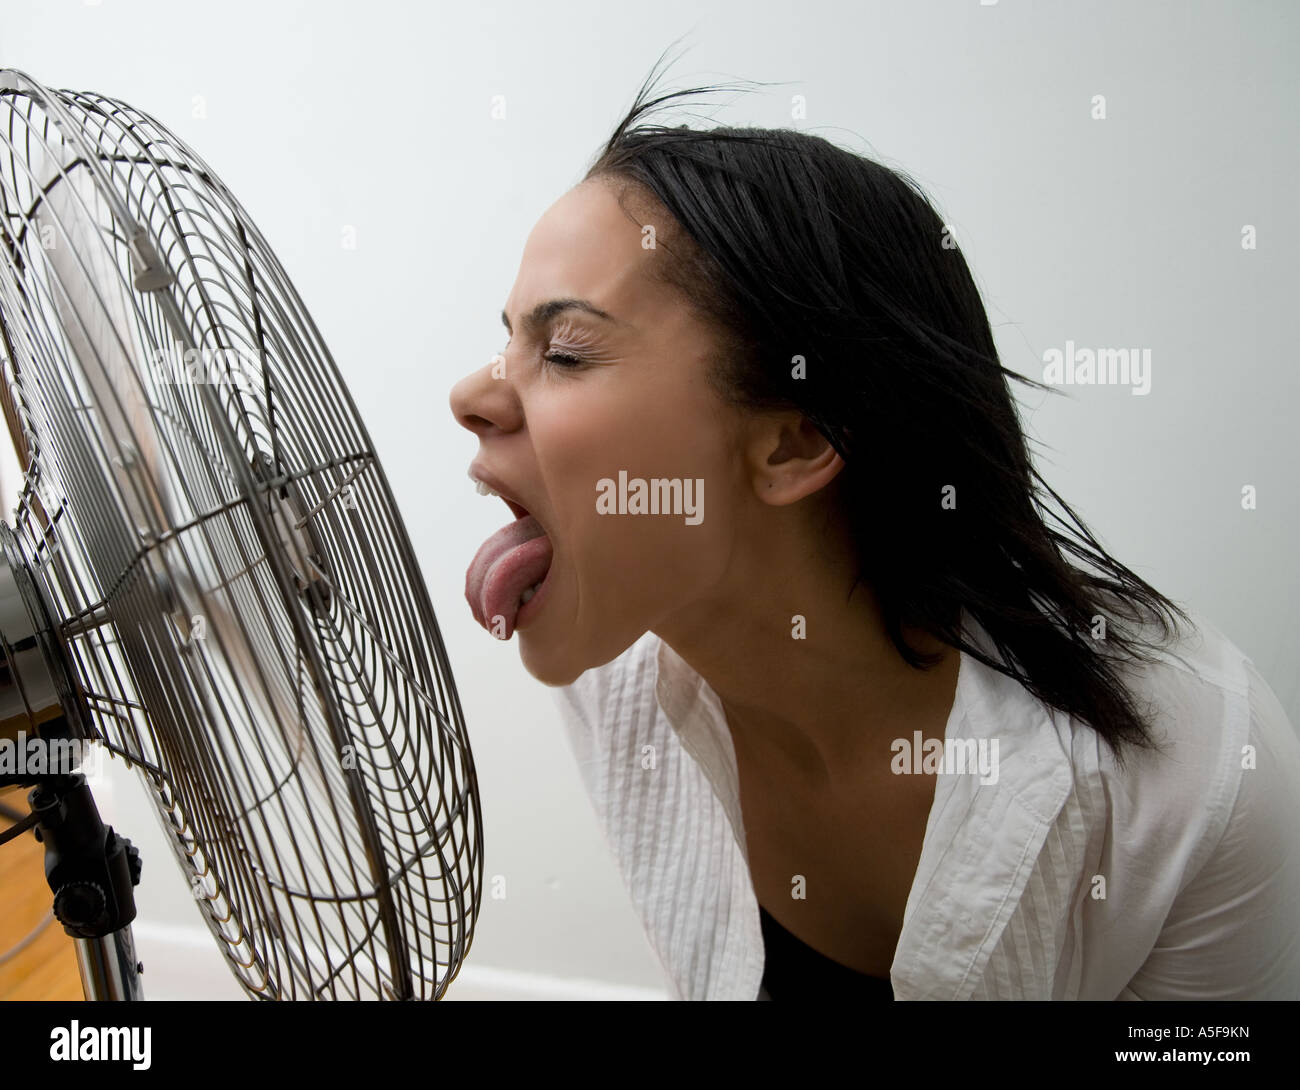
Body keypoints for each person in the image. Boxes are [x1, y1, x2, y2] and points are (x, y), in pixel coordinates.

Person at [448, 55, 1300, 1001]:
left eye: (564, 351)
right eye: (507, 342)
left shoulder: (1195, 777)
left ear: (798, 440)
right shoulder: (615, 676)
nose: (472, 395)